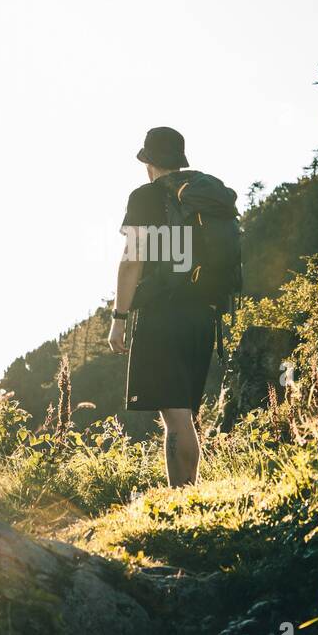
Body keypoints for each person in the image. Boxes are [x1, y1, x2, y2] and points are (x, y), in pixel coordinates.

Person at [108, 126, 239, 487]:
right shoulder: (203, 196)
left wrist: (119, 318)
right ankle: (188, 494)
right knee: (185, 412)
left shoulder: (145, 198)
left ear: (148, 161)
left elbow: (132, 260)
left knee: (175, 415)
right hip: (203, 315)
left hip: (162, 316)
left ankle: (182, 496)